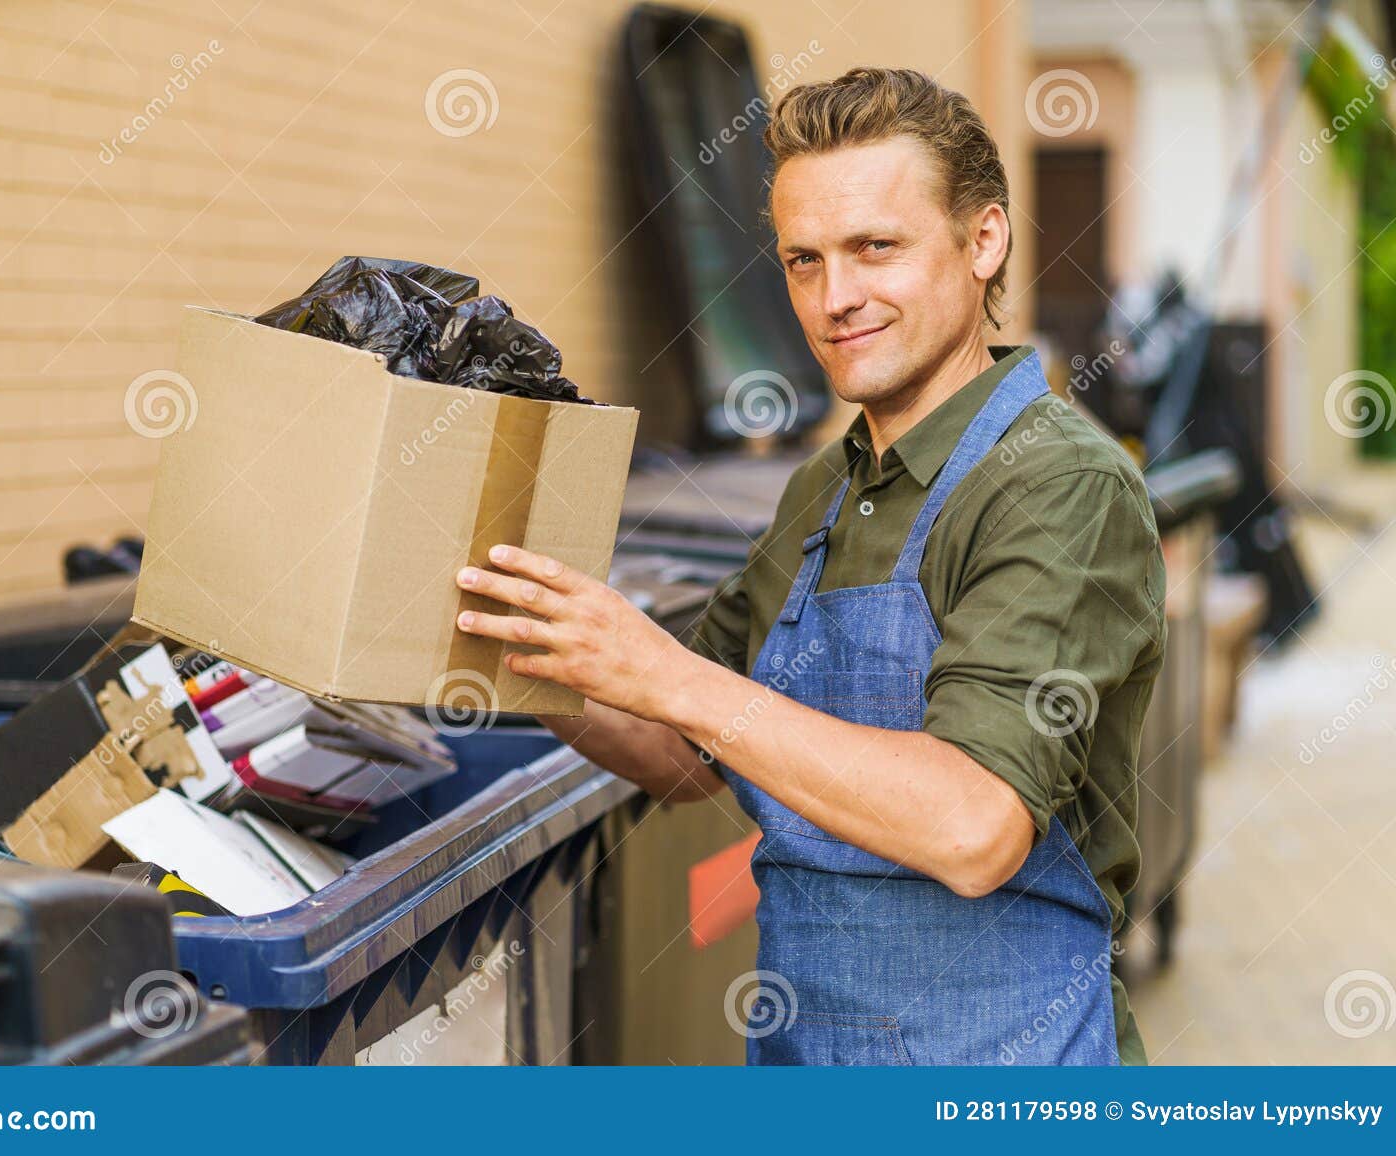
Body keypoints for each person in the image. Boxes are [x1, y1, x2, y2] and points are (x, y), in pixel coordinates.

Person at [452, 66, 1164, 1066]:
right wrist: (522, 645)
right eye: (802, 260)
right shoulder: (823, 491)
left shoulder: (1055, 486)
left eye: (876, 248)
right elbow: (687, 750)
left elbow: (975, 826)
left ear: (983, 240)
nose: (835, 298)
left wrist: (664, 670)